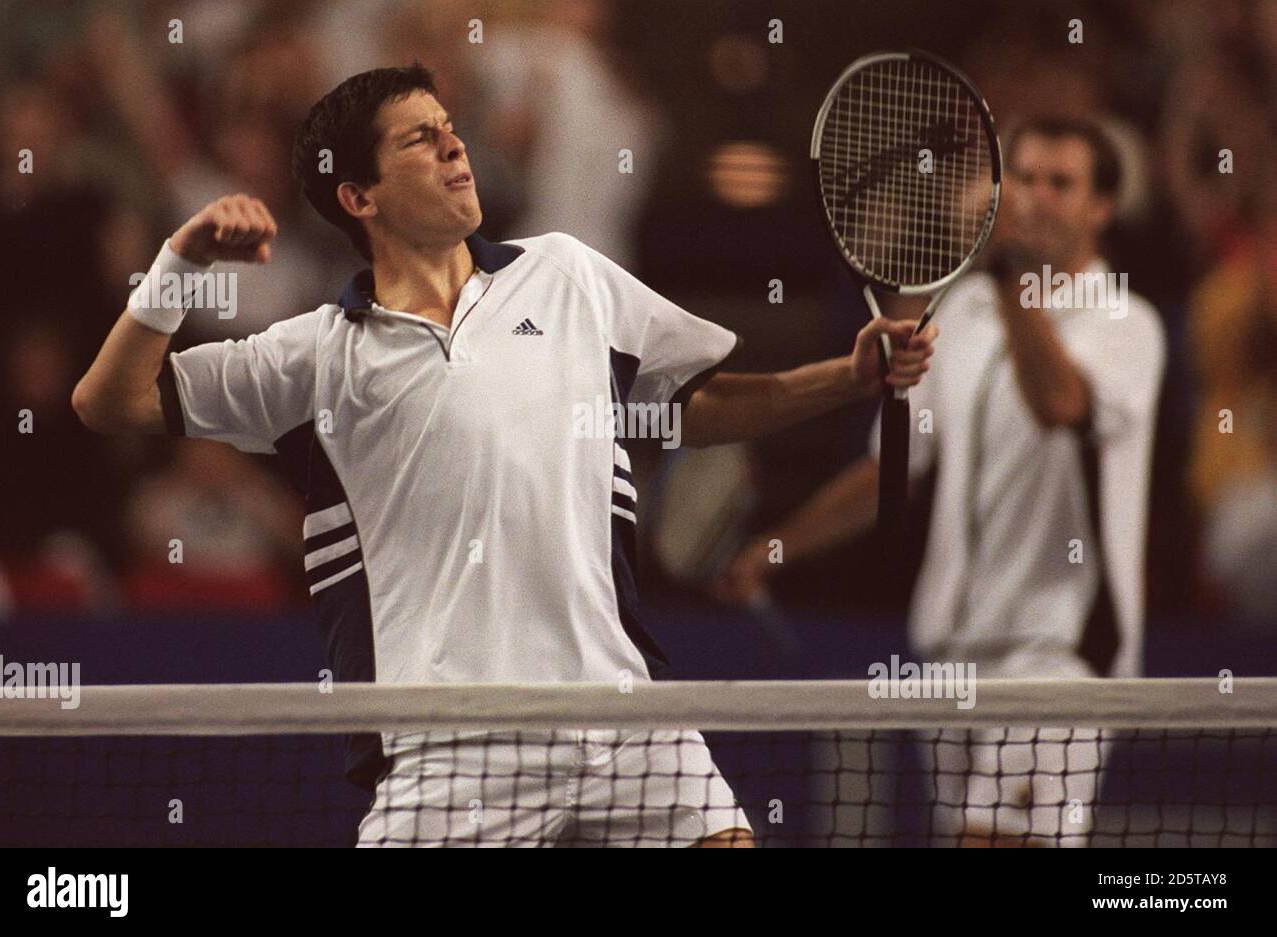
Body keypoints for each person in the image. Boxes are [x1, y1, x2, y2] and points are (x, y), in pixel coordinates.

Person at [71, 64, 936, 847]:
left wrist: (846, 376)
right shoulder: (314, 356)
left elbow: (691, 409)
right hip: (453, 746)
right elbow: (109, 401)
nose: (456, 145)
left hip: (622, 713)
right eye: (420, 138)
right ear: (358, 197)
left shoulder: (566, 275)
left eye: (451, 126)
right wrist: (180, 261)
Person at [721, 116, 1167, 846]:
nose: (1037, 196)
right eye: (1023, 177)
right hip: (950, 660)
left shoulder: (1127, 322)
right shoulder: (959, 312)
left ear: (1101, 208)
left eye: (1062, 183)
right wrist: (775, 546)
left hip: (1057, 656)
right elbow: (893, 470)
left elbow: (1058, 403)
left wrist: (1012, 282)